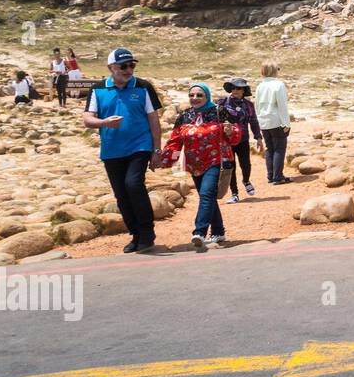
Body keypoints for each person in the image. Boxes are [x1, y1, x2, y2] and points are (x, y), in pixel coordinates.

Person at [82, 48, 162, 254]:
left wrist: (156, 150)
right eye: (123, 66)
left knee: (133, 184)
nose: (129, 70)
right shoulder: (98, 89)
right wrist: (104, 123)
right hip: (111, 150)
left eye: (132, 65)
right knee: (121, 195)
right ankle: (135, 235)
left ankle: (147, 233)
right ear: (111, 68)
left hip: (140, 145)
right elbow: (87, 119)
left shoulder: (143, 87)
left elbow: (154, 119)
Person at [157, 84, 242, 251]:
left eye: (199, 95)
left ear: (207, 96)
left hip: (217, 160)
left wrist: (231, 132)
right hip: (194, 164)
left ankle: (200, 232)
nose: (195, 98)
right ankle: (218, 232)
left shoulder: (219, 112)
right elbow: (175, 141)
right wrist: (165, 159)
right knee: (208, 196)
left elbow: (235, 136)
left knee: (206, 193)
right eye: (192, 95)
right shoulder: (184, 115)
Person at [218, 79, 262, 203]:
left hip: (243, 140)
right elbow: (216, 120)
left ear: (243, 91)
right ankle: (234, 193)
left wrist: (258, 137)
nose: (235, 90)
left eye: (238, 88)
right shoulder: (222, 102)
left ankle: (246, 181)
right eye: (233, 88)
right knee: (231, 167)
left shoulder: (248, 105)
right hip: (227, 141)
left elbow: (253, 122)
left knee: (246, 164)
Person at [255, 61, 292, 185]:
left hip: (264, 121)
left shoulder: (260, 86)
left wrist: (258, 121)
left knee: (269, 149)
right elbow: (282, 105)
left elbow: (257, 105)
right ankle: (278, 176)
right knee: (279, 149)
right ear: (274, 70)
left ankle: (271, 175)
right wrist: (286, 123)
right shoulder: (279, 84)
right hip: (276, 121)